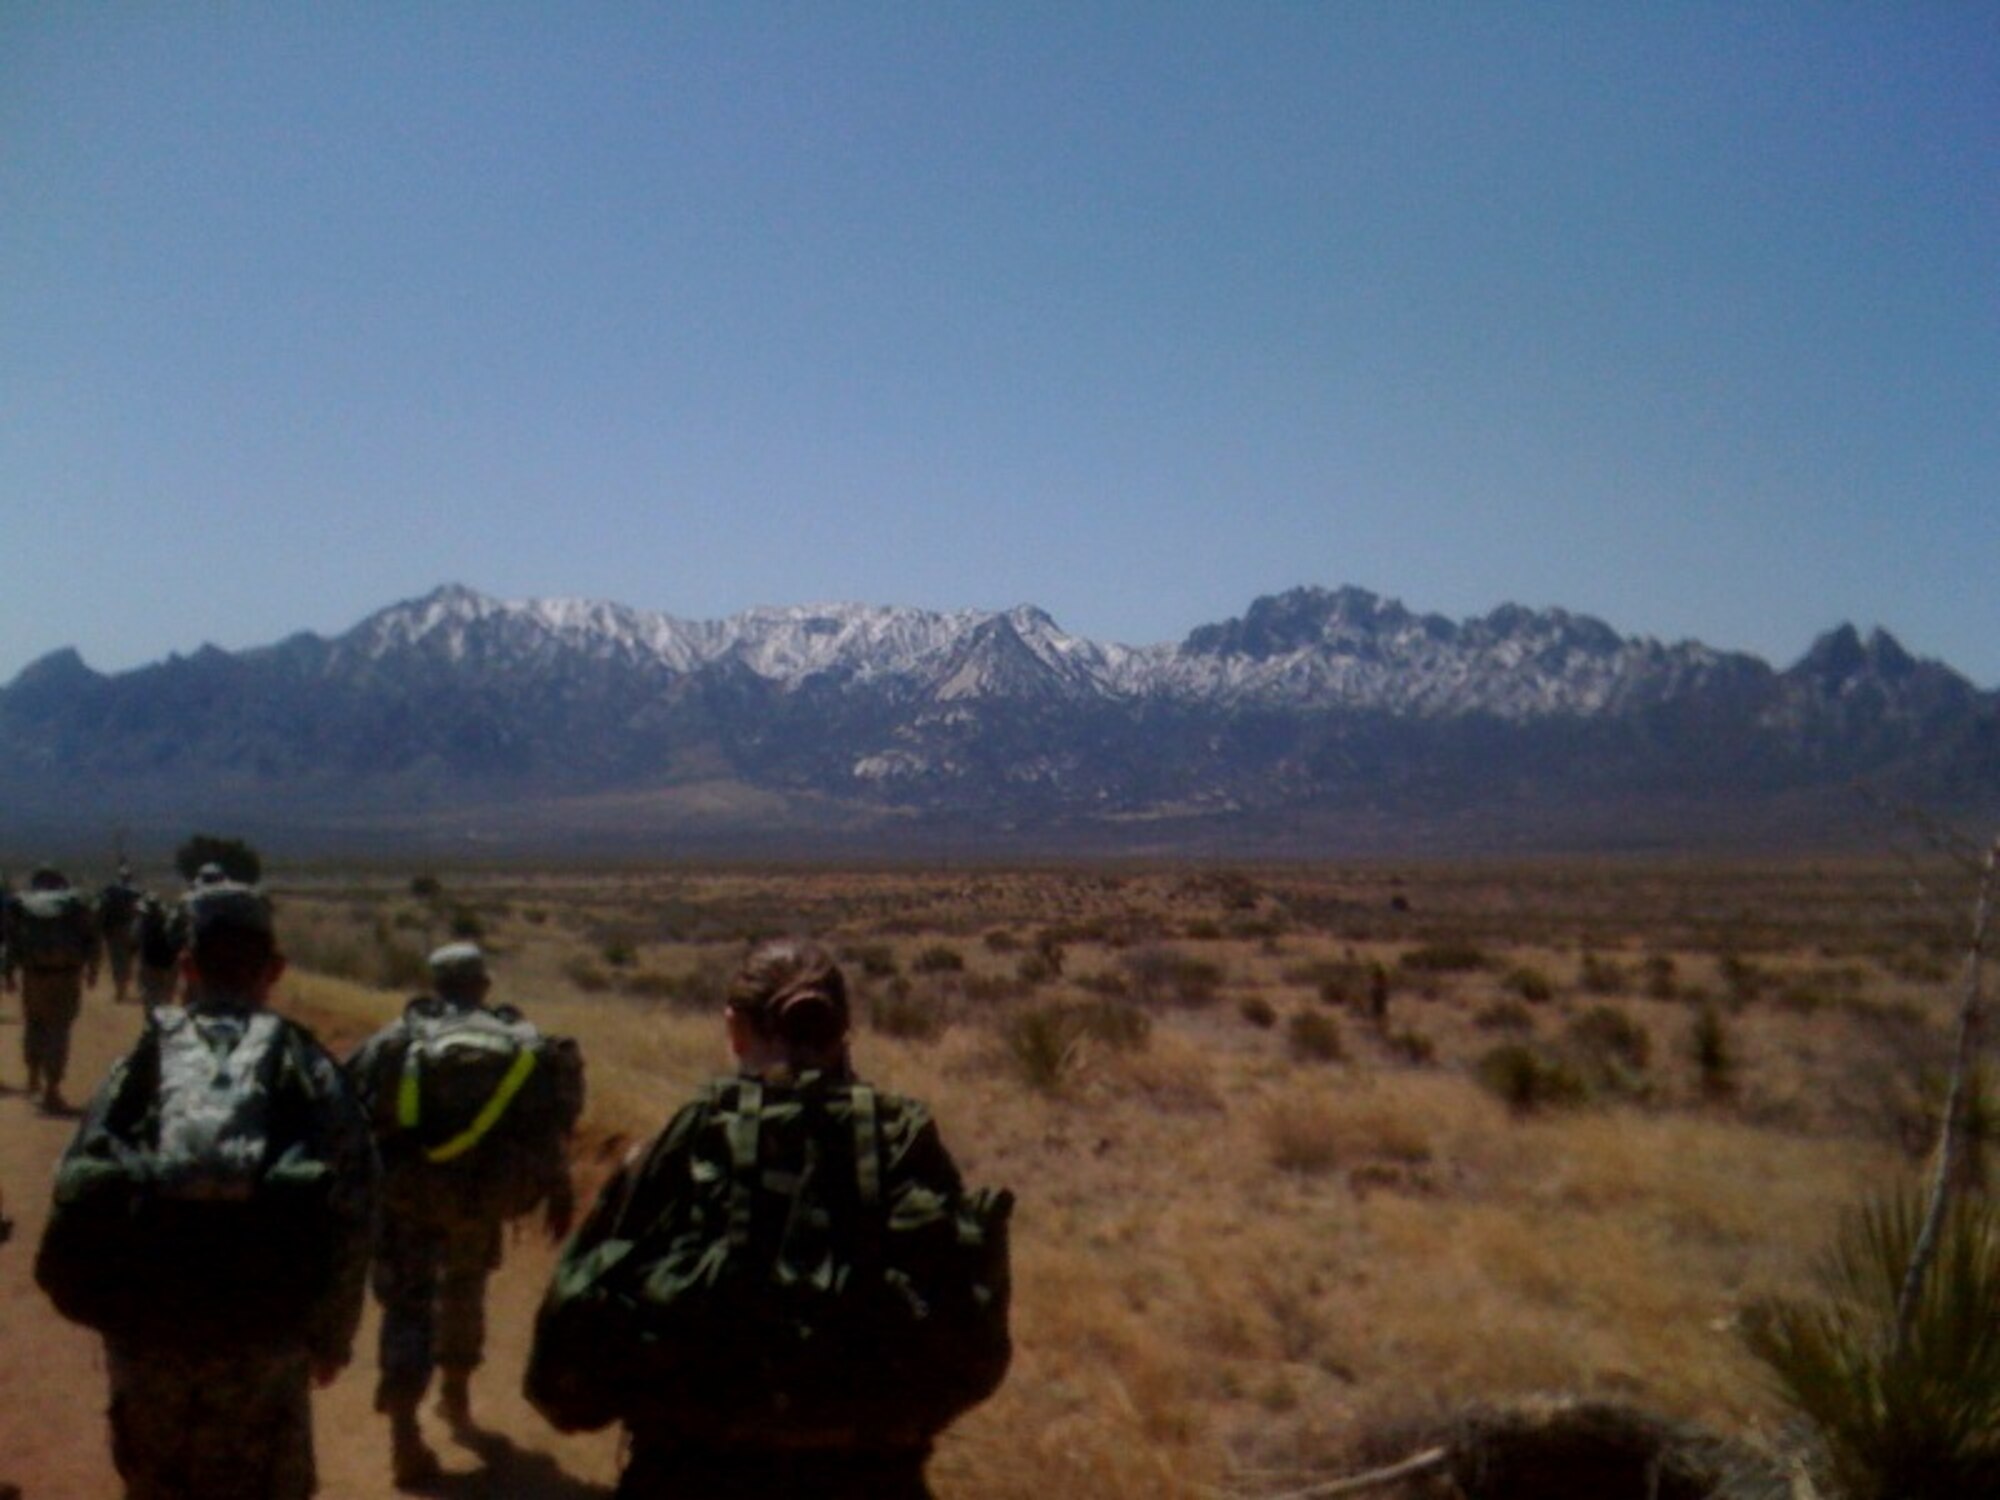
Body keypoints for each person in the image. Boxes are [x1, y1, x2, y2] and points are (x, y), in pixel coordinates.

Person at [526, 938, 1012, 1500]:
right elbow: (973, 1350)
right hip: (873, 1480)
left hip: (686, 1477)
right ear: (843, 1030)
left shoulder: (688, 1139)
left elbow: (565, 1358)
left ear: (735, 1030)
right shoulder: (901, 1141)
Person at [35, 881, 378, 1500]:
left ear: (187, 967)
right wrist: (331, 1339)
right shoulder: (309, 1066)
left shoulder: (142, 1061)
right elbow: (353, 1210)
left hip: (148, 1338)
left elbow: (77, 1182)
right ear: (273, 970)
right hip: (264, 1340)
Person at [347, 941, 582, 1488]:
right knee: (465, 1290)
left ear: (435, 985)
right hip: (483, 1201)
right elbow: (554, 1124)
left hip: (408, 1199)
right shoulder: (523, 1042)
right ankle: (456, 1396)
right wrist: (558, 1188)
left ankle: (405, 1434)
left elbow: (351, 1117)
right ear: (483, 986)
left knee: (407, 1305)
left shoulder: (395, 1041)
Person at [3, 865, 100, 1111]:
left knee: (34, 1022)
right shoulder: (74, 903)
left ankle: (33, 1074)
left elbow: (11, 940)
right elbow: (91, 938)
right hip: (66, 975)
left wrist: (8, 974)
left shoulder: (24, 904)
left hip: (33, 975)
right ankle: (52, 1089)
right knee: (59, 1027)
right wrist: (92, 970)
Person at [97, 863, 145, 1003]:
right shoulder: (137, 892)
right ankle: (123, 986)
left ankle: (120, 988)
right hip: (131, 930)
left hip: (114, 931)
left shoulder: (110, 891)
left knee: (116, 960)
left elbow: (102, 909)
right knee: (128, 960)